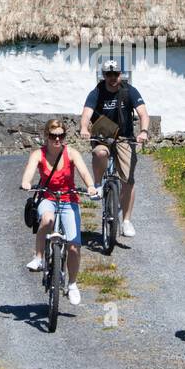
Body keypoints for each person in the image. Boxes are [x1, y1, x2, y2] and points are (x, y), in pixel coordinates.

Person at [20, 118, 98, 305]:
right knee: (47, 220)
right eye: (53, 136)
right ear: (47, 136)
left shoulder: (71, 153)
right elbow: (29, 172)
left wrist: (90, 186)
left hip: (68, 199)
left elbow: (84, 172)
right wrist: (26, 182)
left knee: (73, 246)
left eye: (61, 136)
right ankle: (38, 258)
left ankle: (72, 284)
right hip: (48, 197)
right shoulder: (38, 154)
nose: (57, 140)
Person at [80, 59, 149, 237]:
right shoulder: (97, 92)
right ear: (103, 76)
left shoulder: (129, 91)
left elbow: (143, 113)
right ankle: (97, 184)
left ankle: (126, 220)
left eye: (115, 74)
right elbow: (87, 113)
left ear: (121, 74)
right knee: (100, 153)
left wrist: (143, 131)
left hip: (125, 137)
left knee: (128, 180)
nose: (112, 78)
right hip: (103, 135)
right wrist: (83, 128)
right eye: (108, 74)